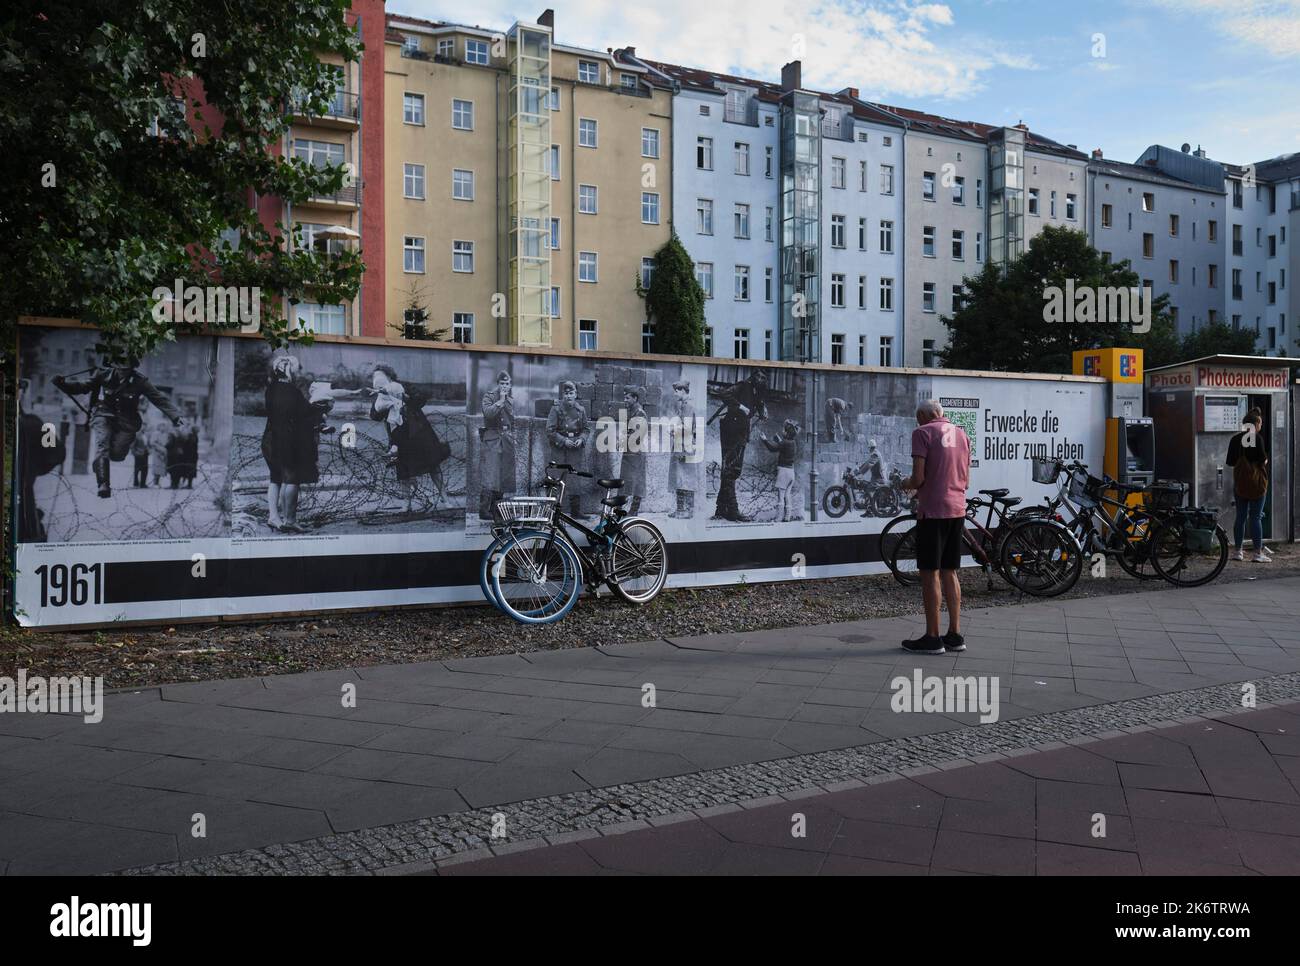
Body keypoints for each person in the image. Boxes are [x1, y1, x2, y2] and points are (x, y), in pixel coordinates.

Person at [898, 399, 971, 654]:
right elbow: (964, 478)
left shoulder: (922, 433)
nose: (918, 423)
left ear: (924, 415)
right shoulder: (962, 434)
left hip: (933, 513)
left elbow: (918, 478)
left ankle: (932, 637)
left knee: (929, 572)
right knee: (950, 570)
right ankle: (955, 634)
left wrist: (905, 484)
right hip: (957, 509)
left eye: (919, 419)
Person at [53, 357, 183, 498]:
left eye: (126, 369)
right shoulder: (102, 374)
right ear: (115, 366)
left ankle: (100, 464)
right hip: (103, 414)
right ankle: (103, 484)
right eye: (120, 367)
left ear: (132, 368)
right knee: (102, 444)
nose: (122, 371)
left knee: (117, 454)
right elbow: (83, 387)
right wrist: (63, 384)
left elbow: (158, 398)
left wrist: (176, 416)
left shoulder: (140, 381)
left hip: (127, 421)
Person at [368, 366, 448, 515]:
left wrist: (402, 397)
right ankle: (406, 504)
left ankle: (445, 498)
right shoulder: (380, 393)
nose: (377, 379)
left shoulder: (403, 386)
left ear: (389, 375)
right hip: (399, 437)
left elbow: (421, 398)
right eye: (374, 377)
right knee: (403, 470)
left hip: (418, 432)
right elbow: (374, 415)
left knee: (433, 465)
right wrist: (386, 403)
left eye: (379, 375)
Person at [261, 354, 324, 533]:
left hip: (270, 439)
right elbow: (305, 413)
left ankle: (274, 517)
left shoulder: (271, 389)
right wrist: (323, 407)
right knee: (292, 479)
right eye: (297, 370)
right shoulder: (292, 391)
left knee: (275, 478)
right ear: (291, 371)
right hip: (287, 441)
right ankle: (290, 520)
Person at [711, 369, 768, 522]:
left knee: (730, 471)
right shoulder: (743, 385)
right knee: (731, 470)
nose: (761, 379)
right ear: (753, 376)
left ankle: (721, 509)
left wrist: (762, 411)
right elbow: (724, 394)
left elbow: (758, 403)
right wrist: (741, 407)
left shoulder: (757, 391)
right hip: (732, 431)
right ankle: (733, 511)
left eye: (764, 377)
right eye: (759, 376)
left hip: (741, 433)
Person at [1226, 407, 1271, 563]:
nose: (1261, 426)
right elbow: (1262, 460)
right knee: (1256, 517)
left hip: (1240, 484)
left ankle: (1238, 551)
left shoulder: (1235, 439)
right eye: (1260, 423)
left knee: (1241, 517)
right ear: (1256, 423)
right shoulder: (1257, 438)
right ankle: (1258, 553)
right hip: (1257, 484)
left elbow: (1230, 462)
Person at [545, 380, 591, 518]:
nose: (569, 396)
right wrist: (564, 440)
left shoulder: (580, 410)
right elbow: (549, 430)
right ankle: (550, 511)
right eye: (566, 394)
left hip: (575, 450)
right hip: (559, 449)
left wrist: (581, 439)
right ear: (562, 395)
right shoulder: (556, 409)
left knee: (575, 479)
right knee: (555, 478)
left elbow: (586, 429)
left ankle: (575, 511)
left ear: (576, 394)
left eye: (571, 393)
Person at [478, 370, 516, 520]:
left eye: (507, 383)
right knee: (490, 475)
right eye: (502, 383)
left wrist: (506, 401)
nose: (505, 386)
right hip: (492, 438)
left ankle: (497, 509)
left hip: (506, 439)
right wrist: (500, 401)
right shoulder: (489, 396)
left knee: (503, 475)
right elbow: (488, 413)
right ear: (497, 384)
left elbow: (512, 419)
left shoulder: (511, 400)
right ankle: (483, 509)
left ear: (510, 384)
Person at [667, 380, 698, 519]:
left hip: (684, 446)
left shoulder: (687, 406)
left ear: (684, 391)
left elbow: (686, 427)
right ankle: (686, 510)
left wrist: (673, 430)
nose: (675, 393)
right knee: (685, 478)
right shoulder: (685, 405)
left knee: (682, 478)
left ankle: (684, 511)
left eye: (677, 391)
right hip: (686, 445)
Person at [761, 419, 801, 522]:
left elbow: (772, 449)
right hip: (791, 472)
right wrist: (779, 441)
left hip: (783, 472)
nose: (782, 431)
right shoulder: (793, 442)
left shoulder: (784, 443)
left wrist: (764, 440)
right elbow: (784, 447)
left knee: (780, 496)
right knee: (787, 495)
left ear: (787, 432)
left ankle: (778, 518)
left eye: (783, 430)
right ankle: (787, 517)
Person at [619, 386, 648, 515]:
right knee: (625, 480)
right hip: (628, 452)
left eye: (627, 397)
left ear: (635, 398)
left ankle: (634, 510)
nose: (625, 400)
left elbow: (639, 434)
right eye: (624, 397)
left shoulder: (640, 413)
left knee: (637, 481)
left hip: (636, 452)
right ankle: (619, 508)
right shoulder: (629, 412)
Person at [856, 439, 887, 518]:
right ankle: (869, 510)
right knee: (867, 488)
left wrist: (860, 472)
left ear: (870, 447)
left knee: (868, 489)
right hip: (875, 477)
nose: (869, 449)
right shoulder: (874, 454)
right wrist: (859, 469)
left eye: (869, 448)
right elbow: (866, 463)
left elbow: (869, 464)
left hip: (878, 478)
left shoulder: (875, 454)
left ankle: (871, 510)